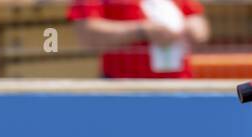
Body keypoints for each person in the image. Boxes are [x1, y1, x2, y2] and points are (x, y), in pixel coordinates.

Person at [69, 0, 211, 78]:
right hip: (124, 90)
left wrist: (193, 27)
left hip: (178, 87)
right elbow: (87, 36)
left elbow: (198, 22)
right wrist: (143, 31)